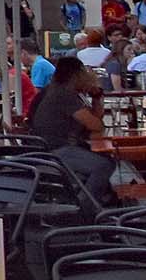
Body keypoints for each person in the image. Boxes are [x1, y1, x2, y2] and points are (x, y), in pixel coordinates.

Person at [27, 61, 116, 206]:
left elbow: (95, 121)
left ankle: (95, 201)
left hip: (50, 147)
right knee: (103, 165)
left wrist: (96, 98)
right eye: (86, 74)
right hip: (54, 150)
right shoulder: (64, 94)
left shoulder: (62, 91)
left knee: (107, 159)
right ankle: (85, 207)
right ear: (76, 75)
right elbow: (96, 125)